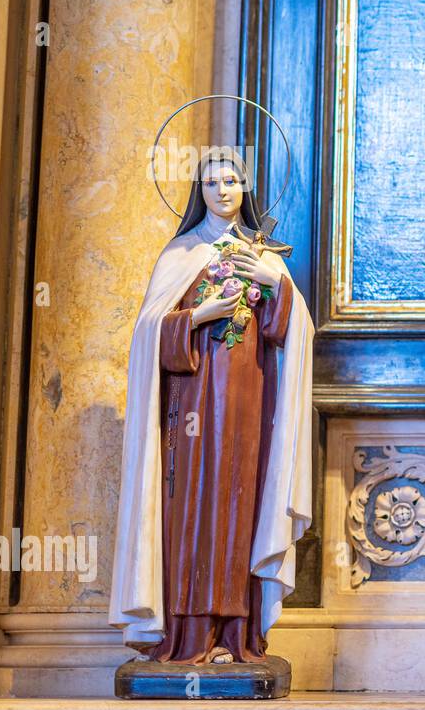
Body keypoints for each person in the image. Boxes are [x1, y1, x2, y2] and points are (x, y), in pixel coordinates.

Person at [110, 149, 313, 664]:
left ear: (246, 189)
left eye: (232, 180)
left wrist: (274, 284)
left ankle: (236, 637)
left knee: (241, 504)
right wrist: (200, 313)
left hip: (249, 407)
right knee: (192, 511)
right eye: (210, 182)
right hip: (192, 410)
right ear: (197, 191)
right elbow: (148, 337)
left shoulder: (265, 256)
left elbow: (294, 335)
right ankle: (187, 636)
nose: (222, 190)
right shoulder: (179, 253)